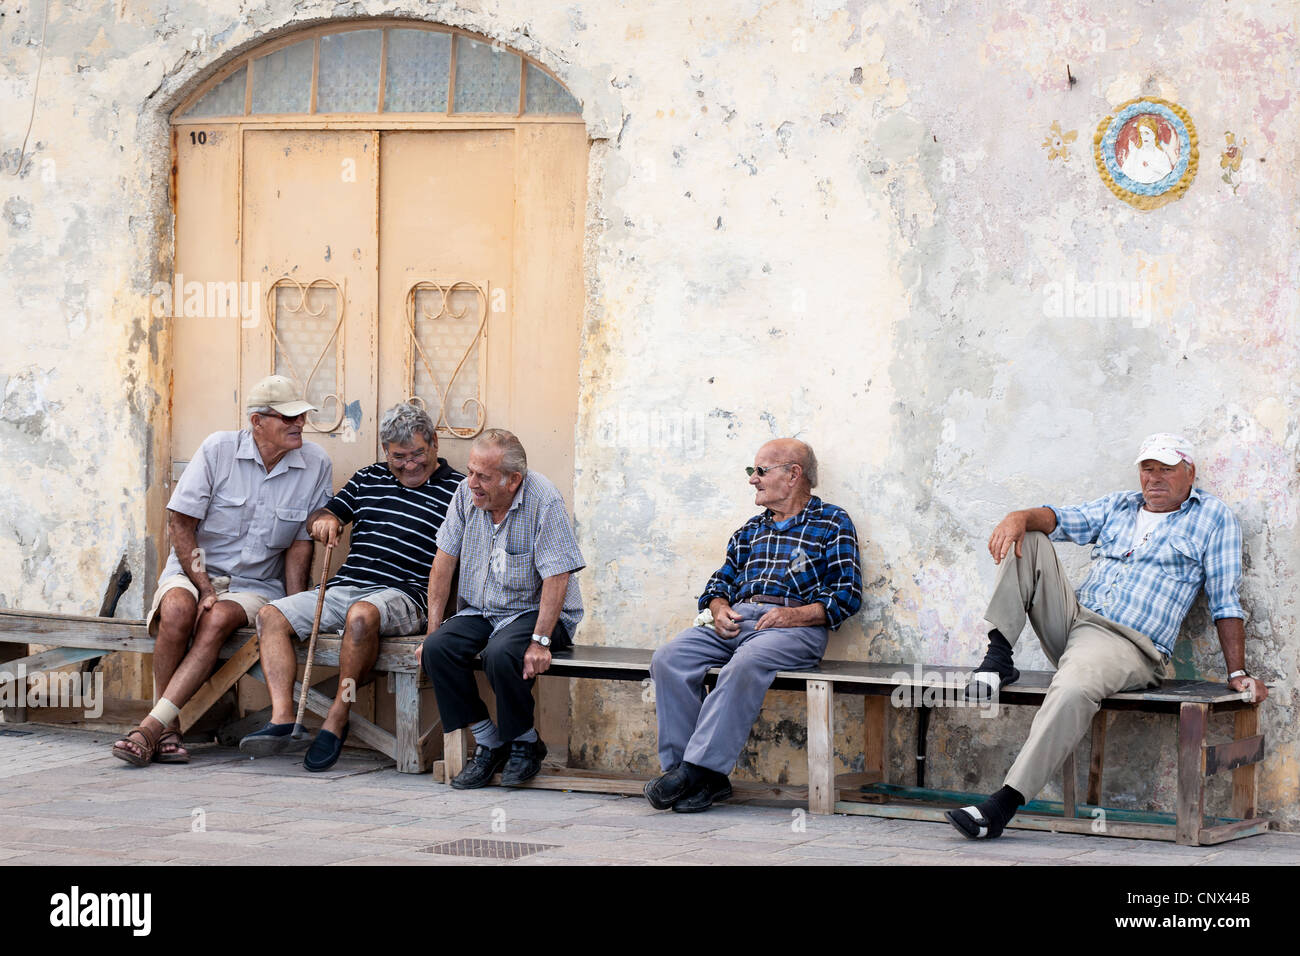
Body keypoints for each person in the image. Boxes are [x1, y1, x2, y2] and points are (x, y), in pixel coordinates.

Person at [946, 433, 1268, 840]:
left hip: (1128, 645)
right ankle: (999, 657)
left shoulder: (1213, 518)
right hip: (1076, 622)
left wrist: (1237, 670)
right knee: (1027, 536)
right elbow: (1058, 519)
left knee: (1075, 684)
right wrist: (1018, 516)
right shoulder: (1120, 505)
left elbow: (1226, 600)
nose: (1154, 478)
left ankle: (1002, 804)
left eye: (1166, 468)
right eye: (1147, 468)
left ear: (1190, 472)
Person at [112, 375, 332, 766]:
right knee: (178, 609)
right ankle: (170, 727)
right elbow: (181, 523)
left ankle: (149, 727)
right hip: (194, 568)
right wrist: (203, 585)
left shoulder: (315, 464)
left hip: (256, 585)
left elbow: (301, 544)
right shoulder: (218, 449)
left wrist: (295, 605)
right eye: (288, 417)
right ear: (257, 421)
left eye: (301, 416)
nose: (299, 424)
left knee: (217, 617)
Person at [239, 402, 464, 771]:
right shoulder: (368, 478)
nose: (408, 465)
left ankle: (337, 717)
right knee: (270, 615)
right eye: (398, 457)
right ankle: (282, 719)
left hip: (406, 594)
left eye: (417, 455)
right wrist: (323, 522)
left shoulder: (458, 490)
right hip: (348, 585)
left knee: (361, 617)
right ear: (385, 453)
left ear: (435, 444)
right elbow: (324, 515)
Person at [644, 438, 863, 812]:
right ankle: (689, 774)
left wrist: (793, 614)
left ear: (793, 475)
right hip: (739, 620)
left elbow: (847, 594)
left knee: (745, 663)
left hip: (796, 629)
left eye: (760, 471)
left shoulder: (832, 522)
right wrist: (717, 607)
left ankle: (694, 772)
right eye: (753, 471)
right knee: (669, 658)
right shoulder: (749, 530)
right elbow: (719, 582)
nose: (753, 480)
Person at [419, 428, 584, 788]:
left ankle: (524, 742)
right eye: (470, 472)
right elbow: (443, 561)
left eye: (483, 476)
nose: (472, 483)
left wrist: (540, 641)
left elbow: (559, 576)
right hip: (483, 608)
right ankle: (489, 741)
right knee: (437, 649)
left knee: (502, 652)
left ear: (513, 481)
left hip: (536, 611)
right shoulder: (466, 494)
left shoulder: (544, 500)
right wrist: (433, 627)